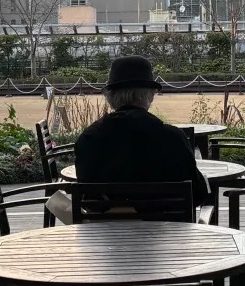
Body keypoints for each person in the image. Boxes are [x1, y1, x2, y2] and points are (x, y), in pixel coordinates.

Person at [70, 54, 208, 214]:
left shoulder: (88, 138)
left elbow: (88, 200)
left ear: (110, 96)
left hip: (107, 235)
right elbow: (197, 195)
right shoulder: (172, 137)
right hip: (166, 234)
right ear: (150, 95)